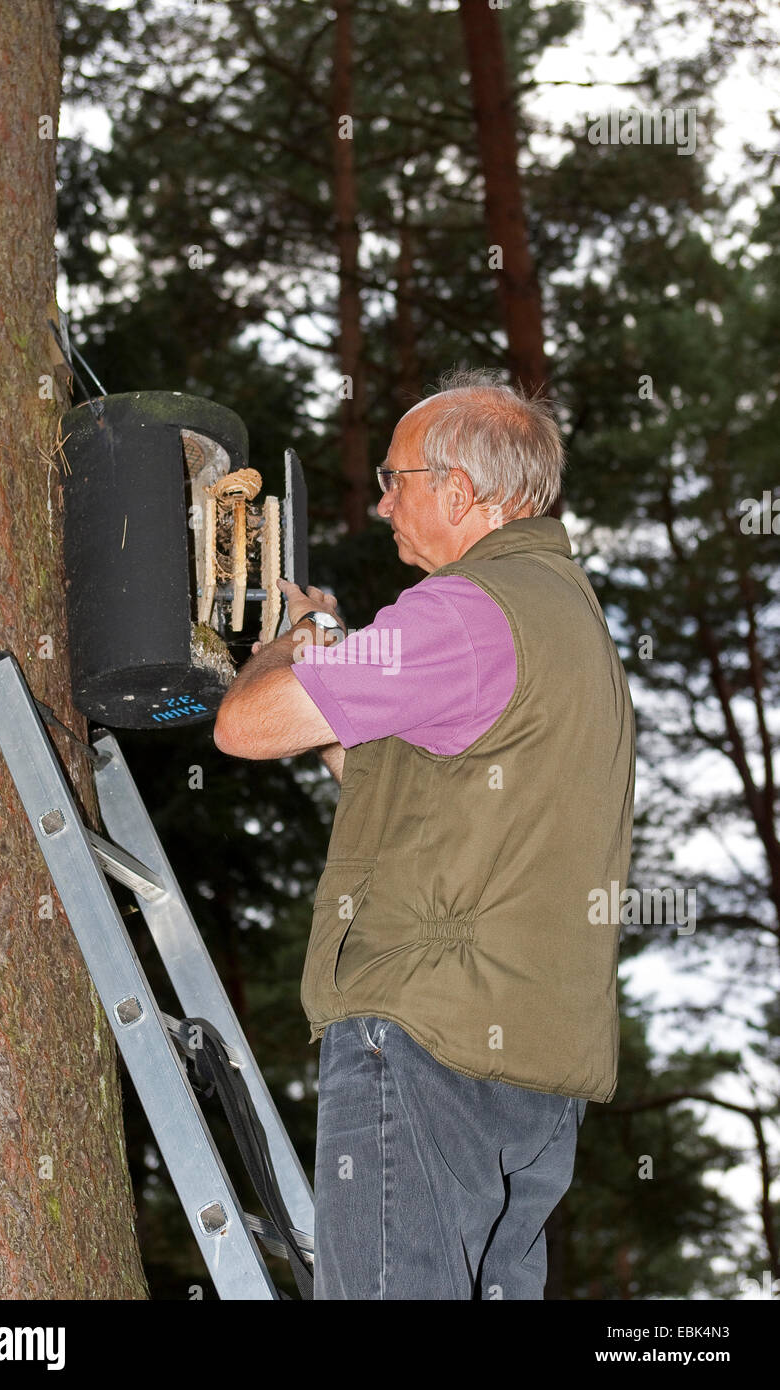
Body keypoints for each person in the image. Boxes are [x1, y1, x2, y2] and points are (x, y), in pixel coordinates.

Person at [213, 367, 636, 1300]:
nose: (379, 501)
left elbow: (245, 728)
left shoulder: (466, 614)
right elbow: (380, 771)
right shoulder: (560, 617)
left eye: (392, 479)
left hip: (429, 1042)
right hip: (531, 1077)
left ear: (458, 491)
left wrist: (281, 649)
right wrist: (329, 643)